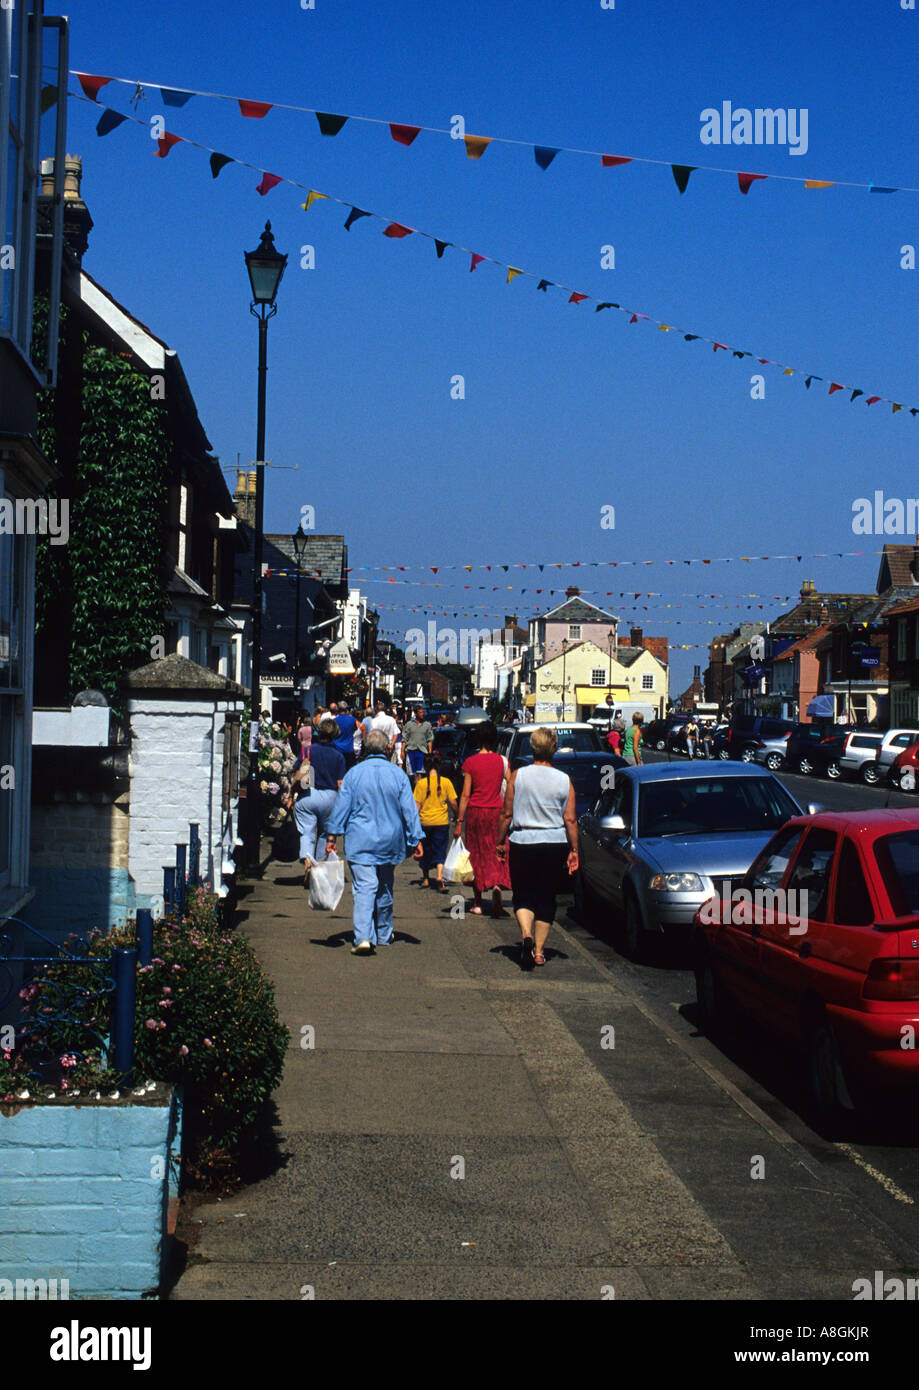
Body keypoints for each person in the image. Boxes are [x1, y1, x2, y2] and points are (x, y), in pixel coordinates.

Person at [324, 729, 423, 954]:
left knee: (364, 887)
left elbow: (342, 808)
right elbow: (409, 809)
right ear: (388, 749)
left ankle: (363, 937)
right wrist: (416, 838)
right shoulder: (398, 775)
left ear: (366, 749)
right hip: (390, 839)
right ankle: (384, 933)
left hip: (360, 838)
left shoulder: (354, 774)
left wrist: (332, 836)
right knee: (385, 885)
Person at [495, 726, 578, 969]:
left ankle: (526, 935)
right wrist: (574, 849)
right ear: (553, 749)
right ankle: (540, 951)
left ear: (532, 748)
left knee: (523, 894)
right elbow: (570, 819)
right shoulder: (564, 780)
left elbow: (506, 814)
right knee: (546, 897)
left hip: (523, 842)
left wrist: (500, 841)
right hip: (554, 844)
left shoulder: (518, 776)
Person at [454, 720, 511, 916]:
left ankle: (478, 902)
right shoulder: (502, 762)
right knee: (495, 849)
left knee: (476, 854)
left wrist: (459, 821)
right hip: (496, 811)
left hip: (476, 812)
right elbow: (510, 787)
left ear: (478, 738)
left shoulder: (470, 762)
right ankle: (496, 885)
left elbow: (465, 795)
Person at [286, 716, 345, 887]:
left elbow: (297, 772)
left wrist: (291, 796)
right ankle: (318, 867)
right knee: (325, 834)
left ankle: (307, 864)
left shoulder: (308, 751)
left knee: (307, 832)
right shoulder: (339, 756)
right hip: (330, 797)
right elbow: (340, 784)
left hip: (309, 794)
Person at [413, 752, 458, 891]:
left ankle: (426, 879)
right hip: (441, 822)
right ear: (438, 766)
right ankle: (439, 876)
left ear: (425, 767)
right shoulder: (446, 782)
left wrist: (413, 824)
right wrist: (457, 816)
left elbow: (417, 806)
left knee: (425, 850)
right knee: (440, 850)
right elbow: (453, 803)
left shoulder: (421, 784)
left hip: (425, 823)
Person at [402, 706, 434, 783]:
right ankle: (412, 789)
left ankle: (419, 791)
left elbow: (430, 738)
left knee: (420, 773)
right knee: (411, 774)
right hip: (410, 751)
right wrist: (402, 751)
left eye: (423, 712)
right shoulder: (409, 724)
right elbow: (404, 738)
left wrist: (430, 751)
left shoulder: (427, 725)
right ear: (415, 713)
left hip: (422, 751)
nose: (422, 714)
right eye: (420, 712)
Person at [332, 700, 359, 771]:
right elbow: (354, 729)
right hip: (349, 749)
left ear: (338, 709)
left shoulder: (334, 720)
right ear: (346, 709)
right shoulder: (352, 719)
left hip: (337, 749)